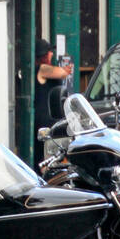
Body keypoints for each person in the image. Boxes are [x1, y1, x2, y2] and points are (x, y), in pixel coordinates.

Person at [34, 39, 73, 170]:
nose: (52, 54)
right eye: (50, 52)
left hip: (50, 118)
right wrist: (66, 68)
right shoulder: (42, 69)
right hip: (44, 119)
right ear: (45, 54)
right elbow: (62, 73)